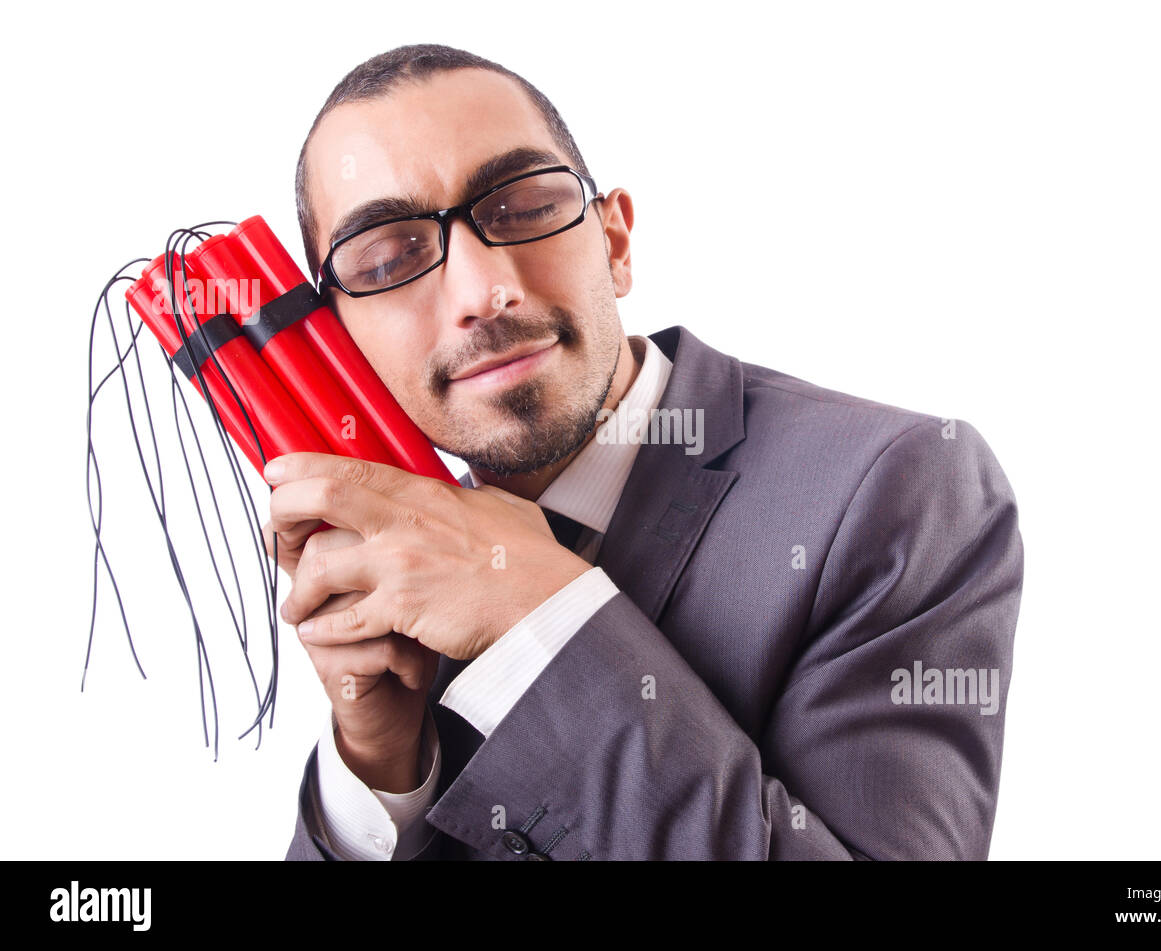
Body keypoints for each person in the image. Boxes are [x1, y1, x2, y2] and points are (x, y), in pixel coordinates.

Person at [268, 43, 1024, 861]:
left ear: (616, 241)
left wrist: (541, 619)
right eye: (388, 259)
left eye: (521, 207)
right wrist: (379, 767)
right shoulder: (410, 564)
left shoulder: (900, 488)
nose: (482, 290)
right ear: (338, 341)